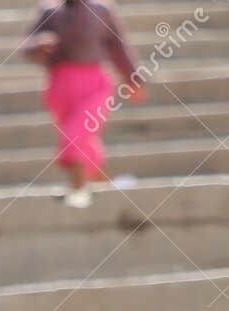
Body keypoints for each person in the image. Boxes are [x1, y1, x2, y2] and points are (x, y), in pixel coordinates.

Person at [23, 0, 141, 207]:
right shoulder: (49, 12)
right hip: (60, 87)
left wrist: (133, 79)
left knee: (75, 134)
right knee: (83, 142)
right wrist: (39, 44)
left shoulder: (102, 11)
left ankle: (77, 188)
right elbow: (27, 46)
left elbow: (118, 48)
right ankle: (103, 187)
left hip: (94, 85)